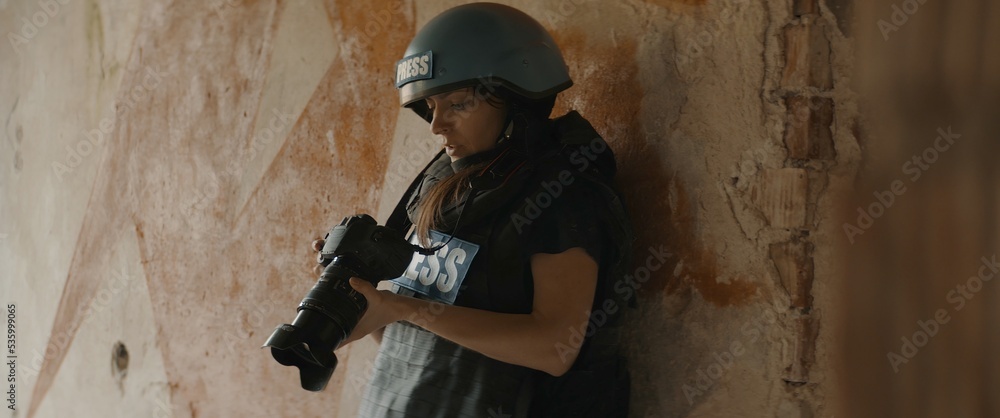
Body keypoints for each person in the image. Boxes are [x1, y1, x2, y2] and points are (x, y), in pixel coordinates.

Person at [312, 4, 633, 417]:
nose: (436, 125)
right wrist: (365, 303)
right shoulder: (444, 186)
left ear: (517, 99)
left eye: (459, 104)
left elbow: (556, 348)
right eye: (431, 106)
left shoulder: (561, 194)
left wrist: (405, 308)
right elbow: (427, 348)